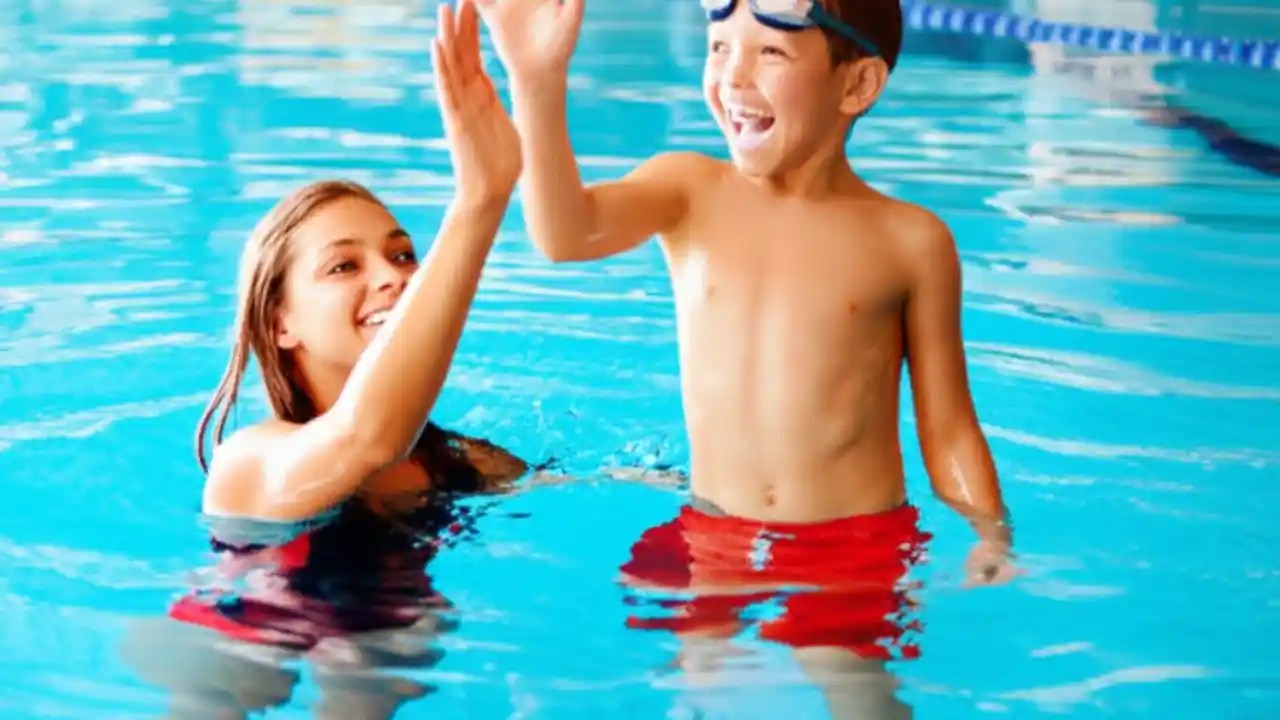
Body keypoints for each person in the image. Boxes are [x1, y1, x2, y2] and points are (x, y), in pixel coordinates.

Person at [475, 0, 1016, 713]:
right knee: (698, 694)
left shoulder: (909, 241)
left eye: (771, 54)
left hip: (848, 543)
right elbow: (564, 234)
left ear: (857, 86)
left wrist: (990, 533)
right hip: (713, 531)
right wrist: (537, 81)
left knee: (863, 700)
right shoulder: (689, 191)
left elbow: (948, 426)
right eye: (719, 46)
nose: (733, 75)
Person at [123, 3, 527, 717]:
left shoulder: (456, 460)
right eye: (343, 267)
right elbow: (366, 436)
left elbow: (603, 484)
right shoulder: (252, 457)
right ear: (279, 324)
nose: (395, 275)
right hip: (242, 629)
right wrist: (479, 202)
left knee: (381, 654)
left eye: (402, 254)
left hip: (380, 623)